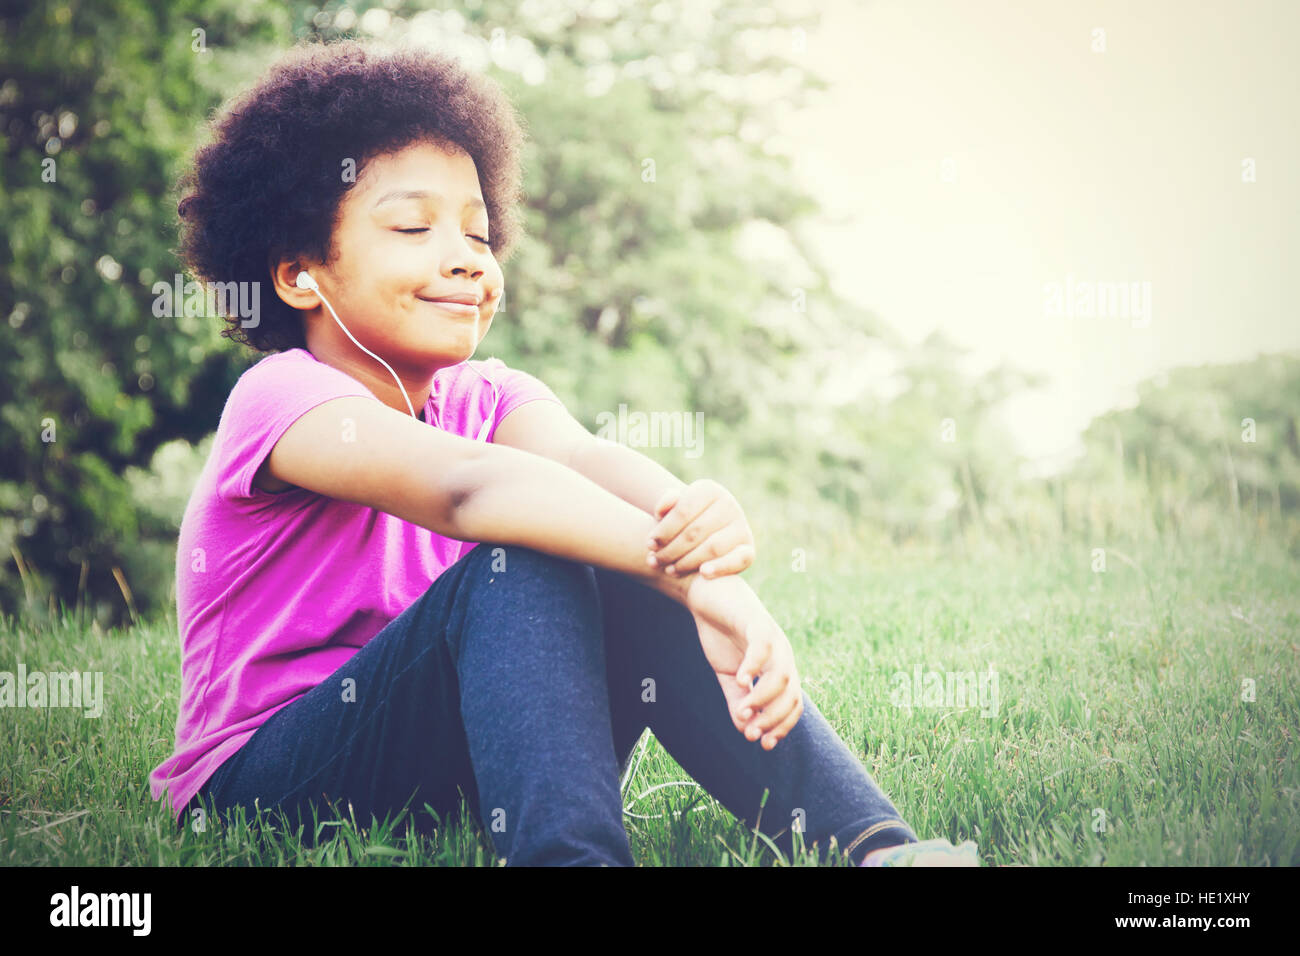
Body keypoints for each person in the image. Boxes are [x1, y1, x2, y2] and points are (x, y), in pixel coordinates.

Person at [148, 36, 978, 868]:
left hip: (458, 755)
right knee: (531, 552)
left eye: (479, 235)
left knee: (601, 538)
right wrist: (678, 569)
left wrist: (699, 539)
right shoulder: (283, 397)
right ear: (298, 275)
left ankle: (878, 849)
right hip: (266, 784)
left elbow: (583, 466)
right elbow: (468, 491)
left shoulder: (489, 394)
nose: (465, 260)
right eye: (412, 225)